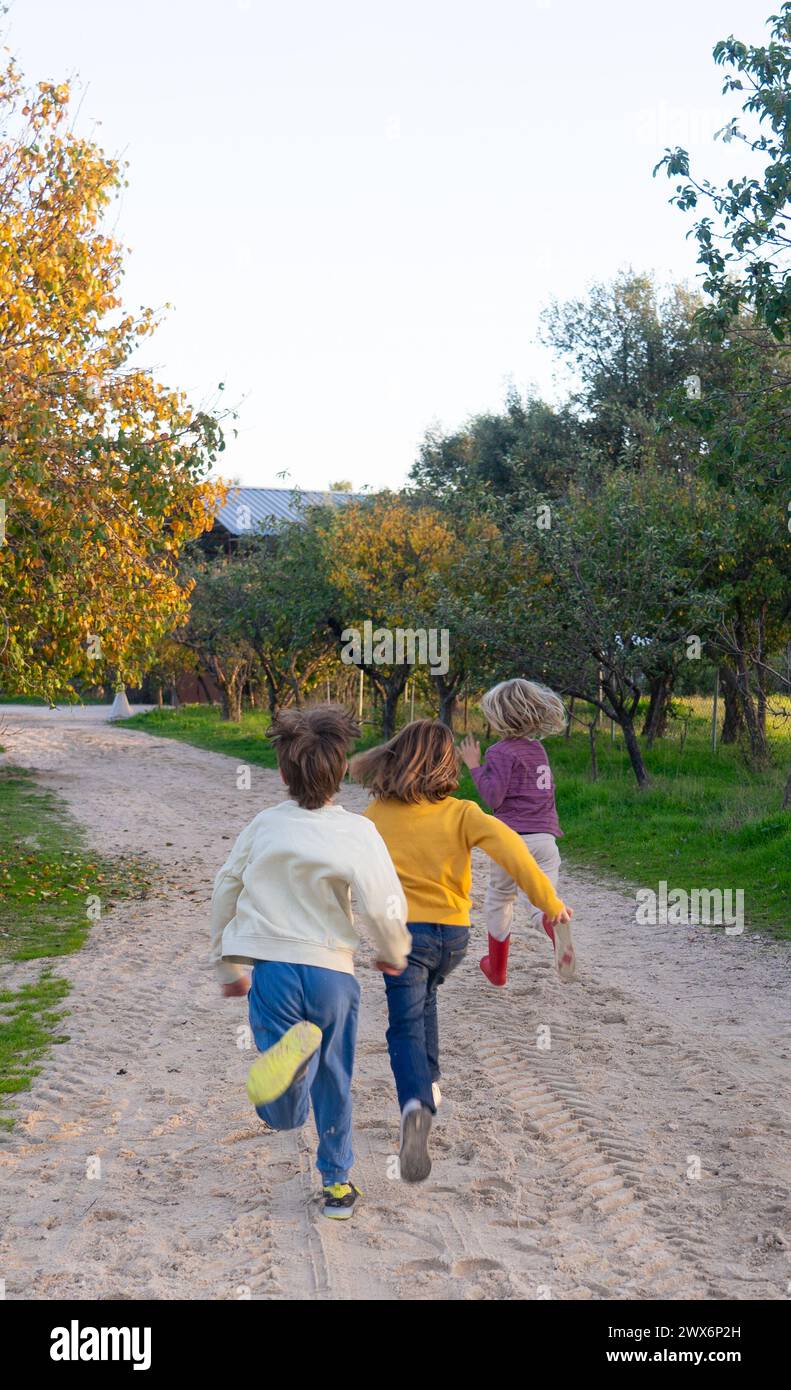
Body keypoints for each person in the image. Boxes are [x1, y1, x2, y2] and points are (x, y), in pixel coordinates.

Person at [210, 704, 410, 1220]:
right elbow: (382, 900)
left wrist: (228, 962)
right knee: (337, 1076)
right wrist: (392, 952)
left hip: (273, 972)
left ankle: (286, 1085)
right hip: (332, 976)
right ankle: (338, 1185)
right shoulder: (359, 833)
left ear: (281, 772)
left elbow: (227, 886)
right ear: (344, 770)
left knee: (282, 1107)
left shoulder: (264, 825)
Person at [350, 719, 572, 1182]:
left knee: (405, 1024)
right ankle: (430, 1088)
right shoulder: (464, 812)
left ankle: (415, 1104)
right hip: (451, 938)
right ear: (448, 766)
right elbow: (514, 852)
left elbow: (347, 870)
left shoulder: (374, 816)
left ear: (394, 758)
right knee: (426, 999)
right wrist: (550, 904)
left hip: (401, 936)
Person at [460, 676, 574, 987]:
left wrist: (474, 765)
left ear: (500, 717)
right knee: (542, 899)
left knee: (500, 898)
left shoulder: (499, 752)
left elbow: (494, 797)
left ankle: (496, 970)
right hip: (547, 840)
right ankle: (556, 927)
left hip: (513, 841)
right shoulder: (538, 751)